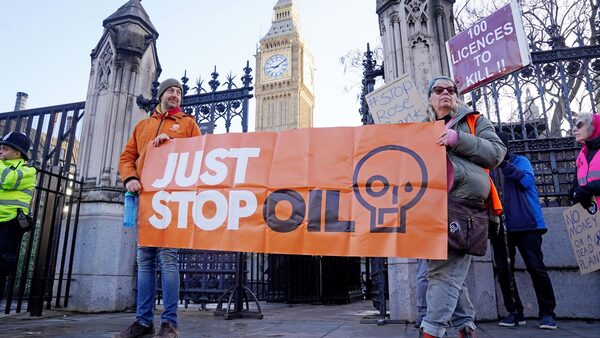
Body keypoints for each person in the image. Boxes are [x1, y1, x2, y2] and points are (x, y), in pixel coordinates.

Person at [419, 76, 506, 338]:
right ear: (430, 98)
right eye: (439, 89)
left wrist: (459, 140)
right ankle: (466, 327)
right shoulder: (419, 128)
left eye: (451, 89)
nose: (446, 93)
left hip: (464, 207)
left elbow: (496, 153)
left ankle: (431, 331)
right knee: (445, 270)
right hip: (428, 209)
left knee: (441, 273)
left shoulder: (474, 120)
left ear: (456, 96)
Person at [116, 78, 201, 338]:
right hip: (146, 199)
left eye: (179, 91)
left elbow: (199, 155)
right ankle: (143, 322)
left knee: (168, 258)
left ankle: (169, 323)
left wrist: (173, 144)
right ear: (161, 95)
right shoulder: (143, 125)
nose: (175, 94)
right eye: (171, 90)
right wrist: (129, 177)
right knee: (145, 260)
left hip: (172, 200)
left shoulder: (188, 124)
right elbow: (127, 157)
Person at [491, 132, 557, 330]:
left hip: (527, 224)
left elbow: (526, 182)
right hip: (500, 226)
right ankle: (514, 312)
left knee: (536, 267)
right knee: (504, 270)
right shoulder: (488, 169)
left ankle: (548, 313)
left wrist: (503, 163)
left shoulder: (521, 161)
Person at [0, 132, 37, 303]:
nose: (1, 151)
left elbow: (9, 180)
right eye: (1, 148)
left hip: (9, 224)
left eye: (5, 148)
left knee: (1, 266)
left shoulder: (28, 171)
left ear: (18, 153)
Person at [570, 112, 600, 209]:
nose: (574, 129)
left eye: (579, 125)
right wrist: (575, 193)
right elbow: (574, 186)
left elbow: (586, 188)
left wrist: (588, 189)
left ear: (593, 127)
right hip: (592, 218)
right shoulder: (581, 156)